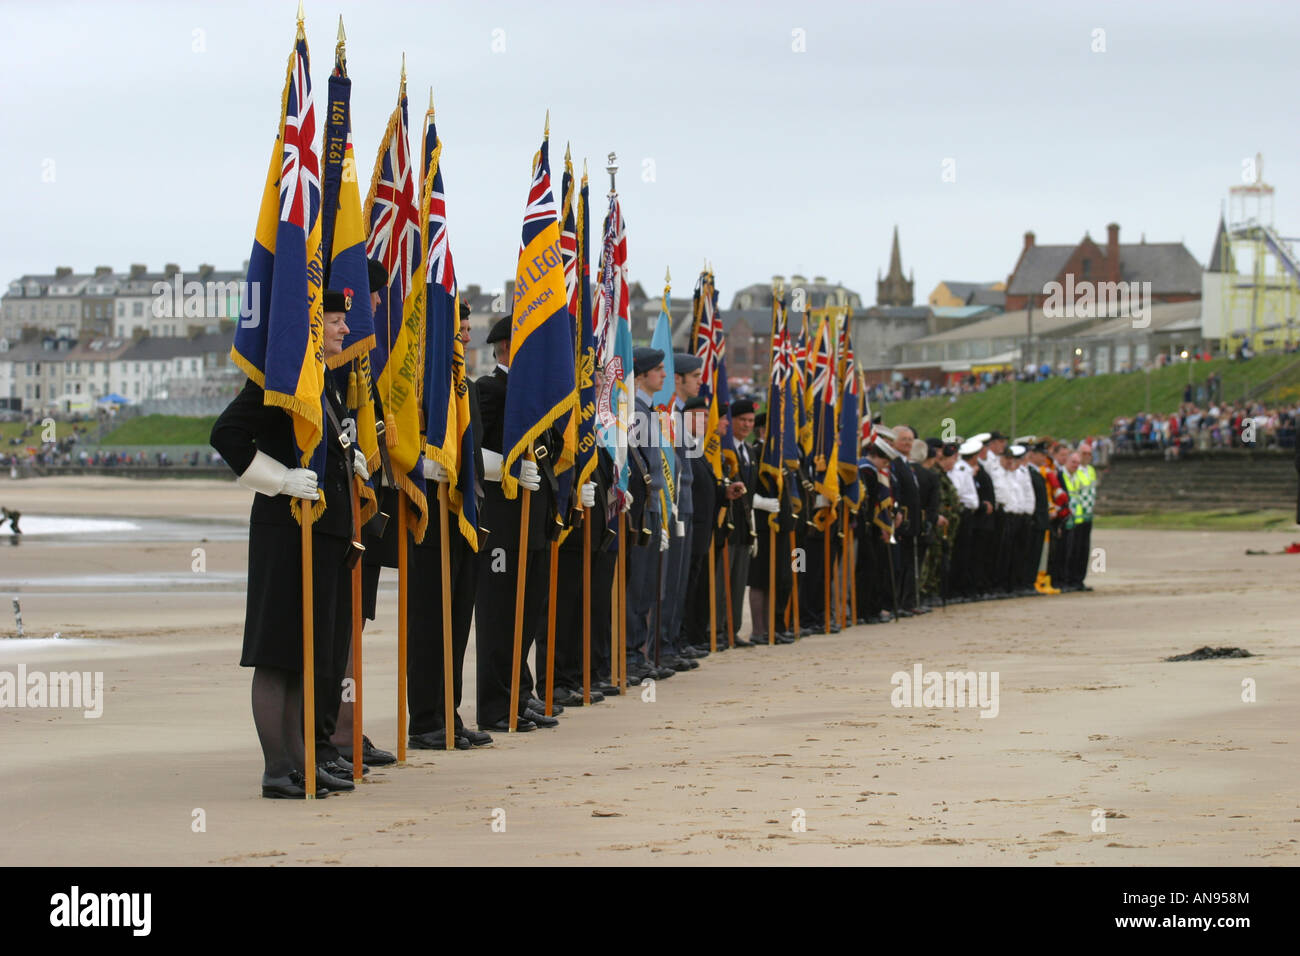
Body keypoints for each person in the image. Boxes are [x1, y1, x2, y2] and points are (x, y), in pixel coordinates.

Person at [211, 288, 370, 798]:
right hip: (285, 533)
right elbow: (227, 435)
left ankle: (301, 761)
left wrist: (352, 463)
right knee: (279, 651)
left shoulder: (322, 382)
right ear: (311, 324)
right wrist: (279, 478)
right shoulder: (276, 381)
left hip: (322, 536)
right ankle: (277, 768)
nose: (346, 329)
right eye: (336, 320)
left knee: (311, 655)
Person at [408, 300, 493, 748]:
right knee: (429, 623)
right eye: (458, 329)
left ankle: (450, 712)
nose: (464, 336)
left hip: (463, 514)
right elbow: (396, 438)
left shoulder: (465, 387)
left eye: (466, 329)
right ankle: (425, 720)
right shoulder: (420, 381)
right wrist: (422, 465)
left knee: (458, 621)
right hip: (428, 518)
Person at [474, 316, 561, 733]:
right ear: (506, 348)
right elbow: (477, 449)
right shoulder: (489, 390)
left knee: (528, 613)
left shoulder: (538, 395)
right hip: (503, 521)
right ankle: (494, 705)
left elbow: (554, 445)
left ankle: (520, 694)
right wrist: (507, 468)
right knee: (499, 614)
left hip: (536, 517)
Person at [625, 347, 675, 682]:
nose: (664, 375)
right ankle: (630, 654)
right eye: (658, 369)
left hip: (654, 506)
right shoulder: (636, 412)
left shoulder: (646, 410)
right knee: (637, 584)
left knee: (647, 587)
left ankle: (638, 652)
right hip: (643, 509)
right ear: (641, 374)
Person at [718, 398, 758, 647]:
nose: (746, 425)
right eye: (742, 420)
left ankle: (733, 630)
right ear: (732, 421)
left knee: (738, 580)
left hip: (744, 525)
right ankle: (720, 630)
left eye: (750, 421)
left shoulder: (749, 452)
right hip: (728, 523)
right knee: (723, 580)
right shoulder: (724, 451)